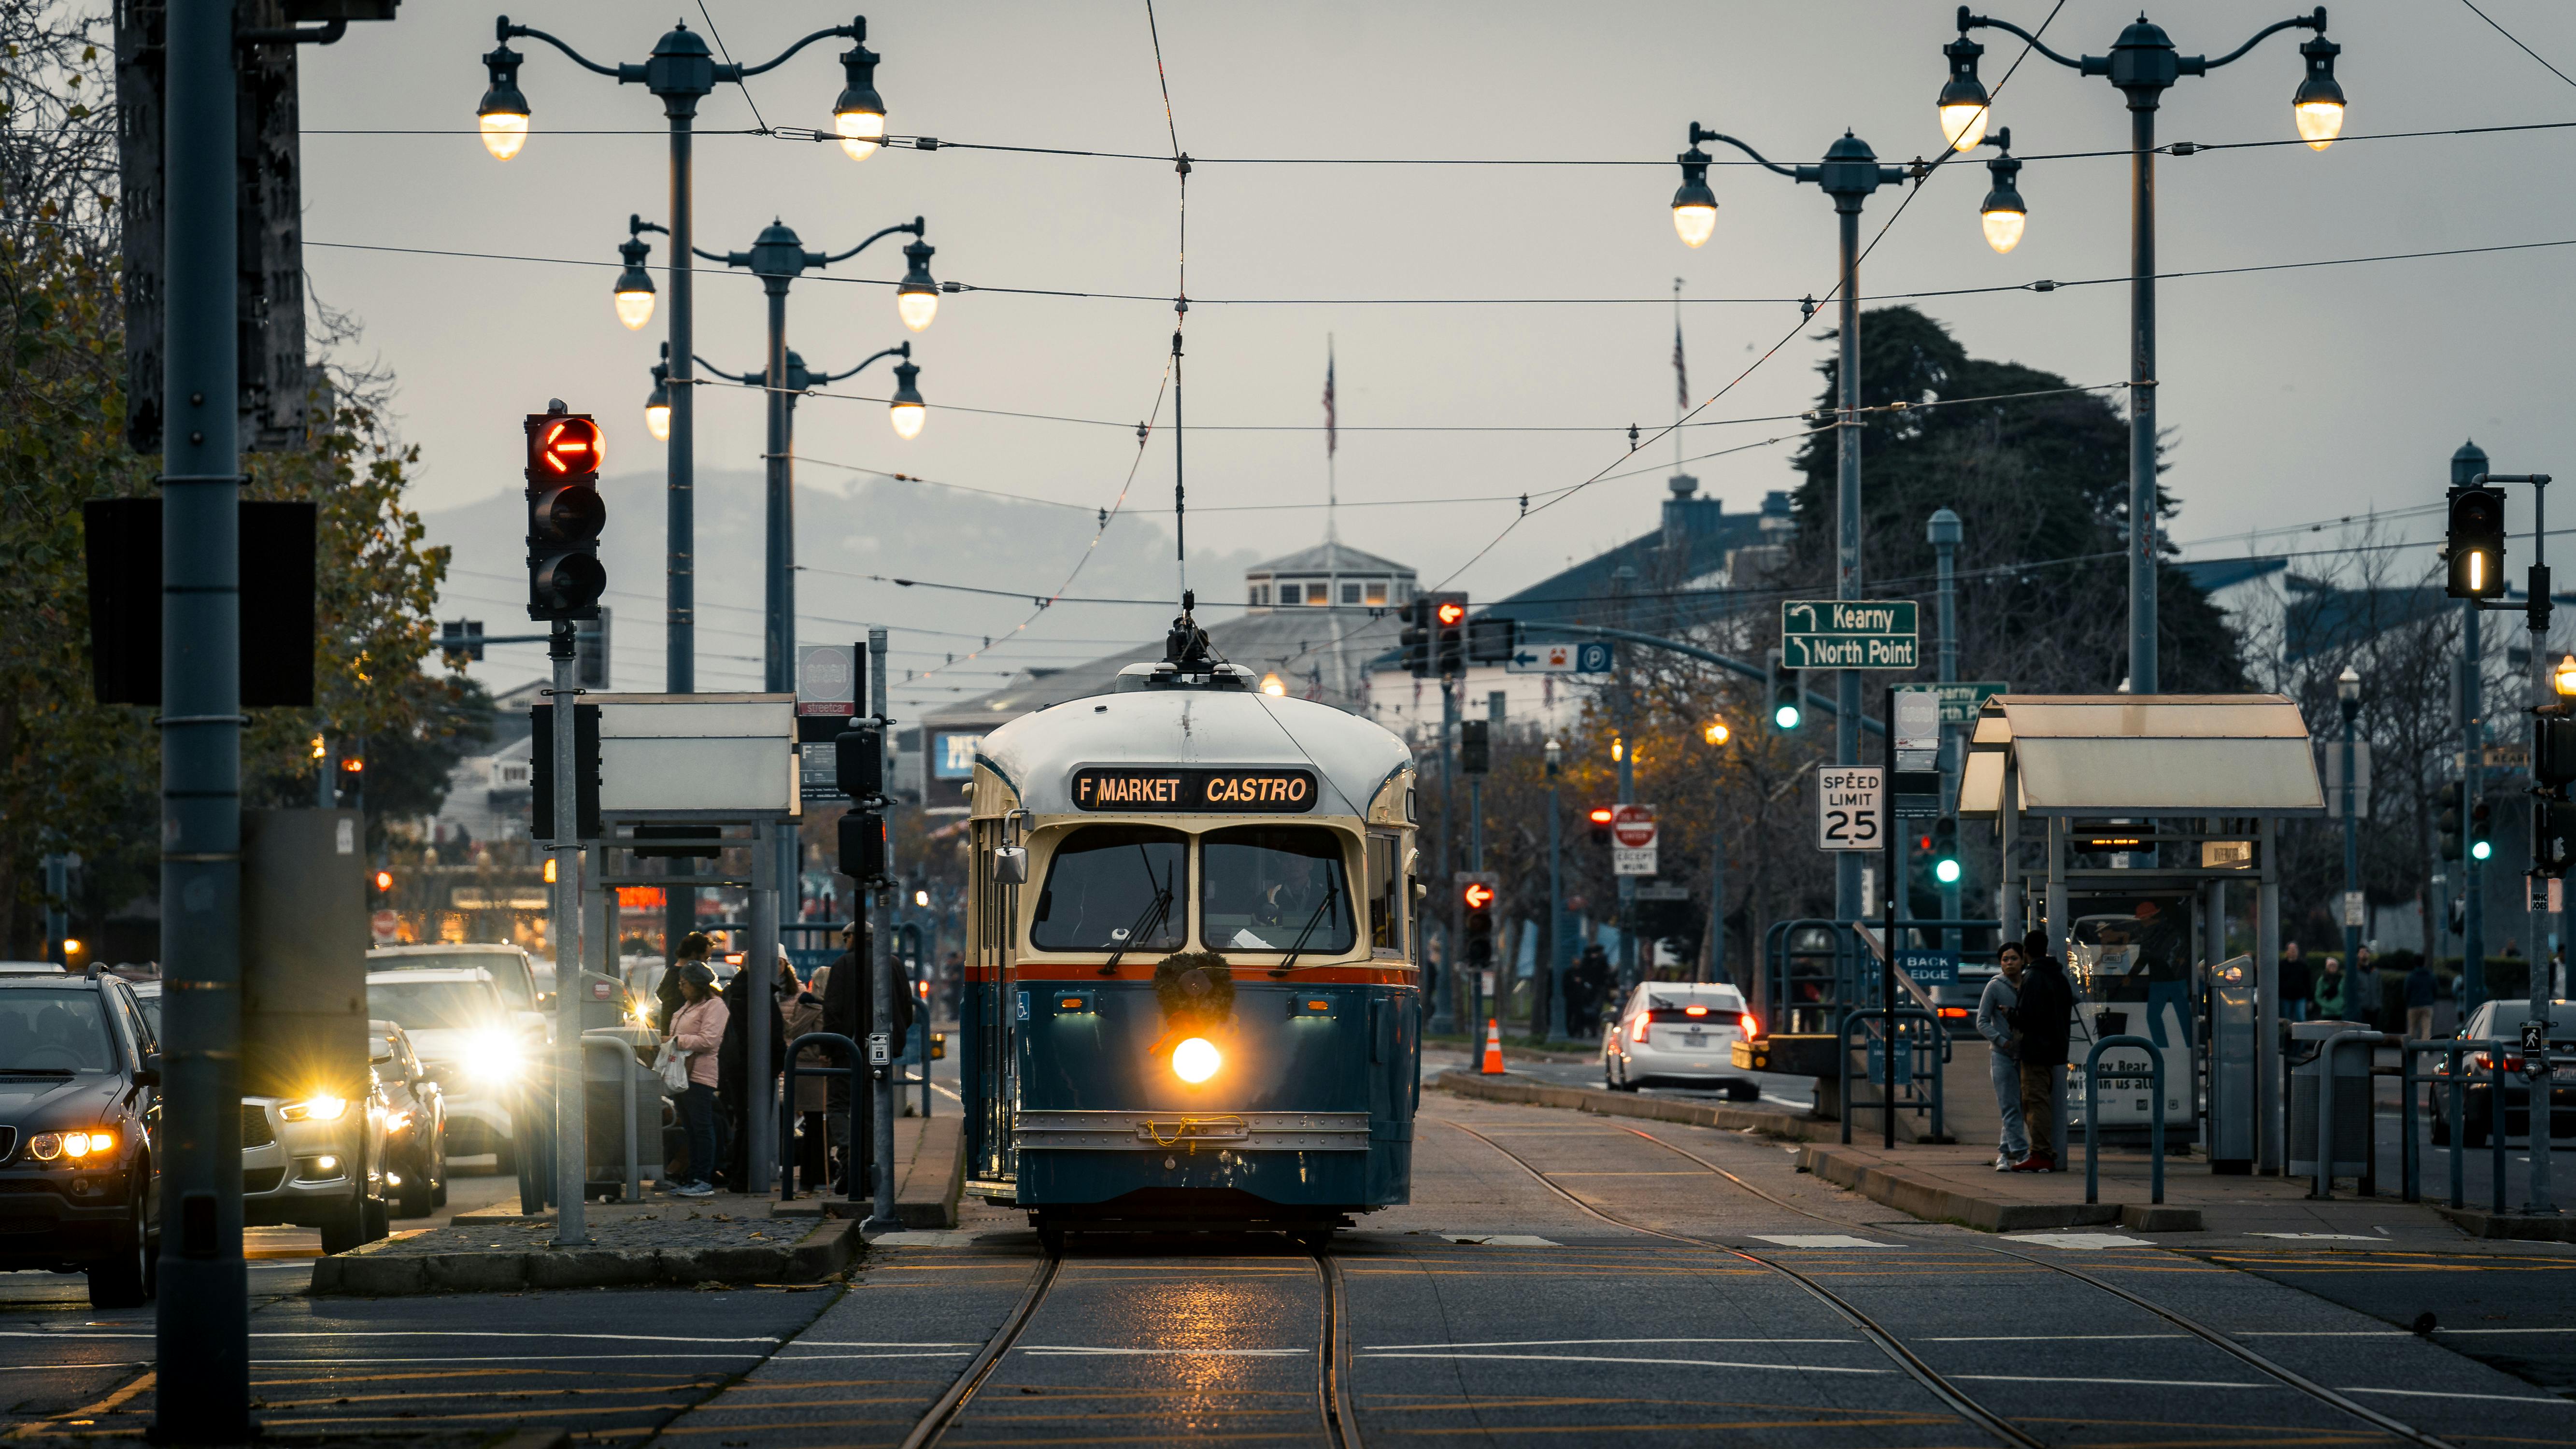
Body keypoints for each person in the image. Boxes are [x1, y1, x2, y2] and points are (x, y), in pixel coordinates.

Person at [823, 920, 915, 1196]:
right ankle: (868, 1169)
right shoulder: (894, 964)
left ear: (854, 938)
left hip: (846, 1050)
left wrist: (829, 1048)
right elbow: (906, 1010)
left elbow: (833, 1009)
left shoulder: (844, 965)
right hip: (880, 1050)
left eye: (845, 938)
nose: (844, 943)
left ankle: (849, 1151)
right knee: (873, 1108)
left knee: (838, 1105)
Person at [717, 947, 789, 1192]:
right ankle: (748, 1176)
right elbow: (775, 1034)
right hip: (758, 1065)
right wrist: (780, 1063)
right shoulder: (760, 994)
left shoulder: (730, 992)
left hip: (732, 1064)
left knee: (743, 1121)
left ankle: (738, 1175)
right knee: (757, 1119)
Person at [2009, 930, 2074, 1174]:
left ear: (2026, 952)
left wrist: (2009, 1013)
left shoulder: (2033, 977)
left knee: (2034, 1102)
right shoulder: (2058, 976)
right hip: (2054, 1047)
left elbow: (2027, 1017)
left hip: (2035, 1049)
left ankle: (2042, 1154)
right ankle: (2042, 1152)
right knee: (2040, 1101)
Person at [665, 962, 727, 1198]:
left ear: (698, 984)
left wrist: (675, 1041)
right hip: (683, 1074)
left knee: (702, 1128)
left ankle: (703, 1178)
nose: (681, 988)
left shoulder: (715, 1006)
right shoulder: (689, 1006)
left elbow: (709, 1040)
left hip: (699, 1075)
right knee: (691, 1129)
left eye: (684, 983)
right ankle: (693, 1177)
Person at [1978, 941, 2030, 1171]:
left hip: (2027, 1053)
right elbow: (1981, 1021)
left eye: (2014, 959)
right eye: (2005, 960)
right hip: (2002, 1055)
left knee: (2018, 1105)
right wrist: (2001, 1040)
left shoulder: (2030, 984)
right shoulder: (1994, 987)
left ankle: (2003, 1154)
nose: (2009, 963)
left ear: (2023, 960)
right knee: (2010, 1105)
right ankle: (2021, 1153)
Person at [779, 954, 829, 1194]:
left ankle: (811, 1178)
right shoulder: (820, 1008)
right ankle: (814, 1176)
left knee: (812, 1125)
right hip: (816, 1070)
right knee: (818, 1126)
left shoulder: (804, 1005)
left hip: (803, 1070)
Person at [655, 931, 713, 1034]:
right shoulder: (687, 980)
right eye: (705, 958)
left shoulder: (671, 974)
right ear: (694, 955)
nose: (706, 963)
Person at [2404, 956, 2438, 1042]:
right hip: (2427, 1005)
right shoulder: (2430, 976)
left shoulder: (2411, 976)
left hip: (2413, 1005)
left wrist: (2408, 1002)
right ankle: (2425, 1049)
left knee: (2412, 1028)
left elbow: (2407, 991)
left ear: (2414, 963)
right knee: (2426, 1029)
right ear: (2424, 963)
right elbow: (2435, 990)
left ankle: (2410, 1048)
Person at [2277, 940, 2311, 1024]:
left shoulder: (2303, 966)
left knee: (2301, 1019)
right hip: (2285, 997)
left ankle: (2300, 1037)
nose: (2293, 951)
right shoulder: (2281, 965)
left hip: (2300, 997)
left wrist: (2310, 999)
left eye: (2295, 949)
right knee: (2286, 1021)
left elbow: (2308, 982)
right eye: (2291, 949)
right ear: (2287, 951)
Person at [2352, 946, 2380, 1031]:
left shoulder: (2375, 971)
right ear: (2358, 955)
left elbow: (2379, 988)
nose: (2364, 954)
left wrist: (2379, 1004)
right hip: (2362, 1008)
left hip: (2374, 1007)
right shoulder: (2356, 972)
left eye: (2366, 952)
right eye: (2362, 952)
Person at [2314, 955, 2348, 1021]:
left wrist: (2342, 1004)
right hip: (2327, 1013)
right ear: (2327, 967)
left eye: (2334, 965)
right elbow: (2318, 997)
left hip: (2340, 1012)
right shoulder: (2322, 980)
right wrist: (2327, 1005)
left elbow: (2345, 994)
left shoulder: (2342, 979)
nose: (2333, 967)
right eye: (2331, 965)